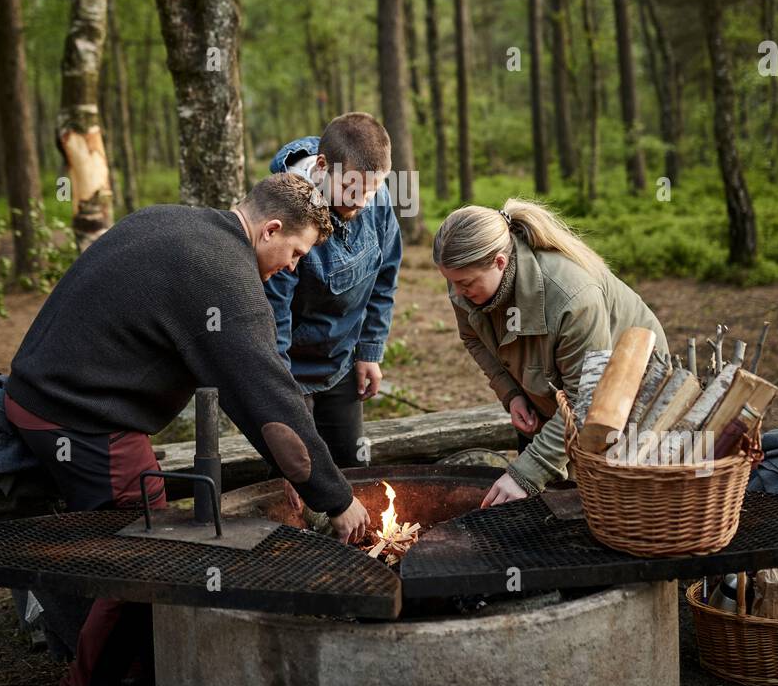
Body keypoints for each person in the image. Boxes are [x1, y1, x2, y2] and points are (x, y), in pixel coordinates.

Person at [4, 173, 370, 686]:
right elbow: (267, 401)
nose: (292, 268)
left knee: (113, 548)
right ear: (270, 228)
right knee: (146, 560)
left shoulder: (179, 221)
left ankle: (140, 678)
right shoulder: (222, 273)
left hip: (40, 393)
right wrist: (335, 499)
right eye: (296, 254)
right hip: (81, 419)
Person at [432, 199, 668, 506]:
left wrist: (528, 472)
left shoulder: (573, 300)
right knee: (545, 508)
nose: (457, 293)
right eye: (451, 282)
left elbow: (588, 400)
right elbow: (474, 339)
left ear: (500, 262)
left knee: (610, 503)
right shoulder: (466, 283)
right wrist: (512, 393)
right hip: (558, 394)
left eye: (465, 283)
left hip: (626, 398)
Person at [265, 113, 402, 480]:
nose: (360, 204)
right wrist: (282, 397)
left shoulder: (375, 194)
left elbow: (384, 275)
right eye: (351, 193)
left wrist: (369, 352)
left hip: (341, 363)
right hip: (291, 371)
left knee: (353, 470)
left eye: (369, 193)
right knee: (299, 477)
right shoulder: (284, 214)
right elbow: (273, 317)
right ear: (322, 167)